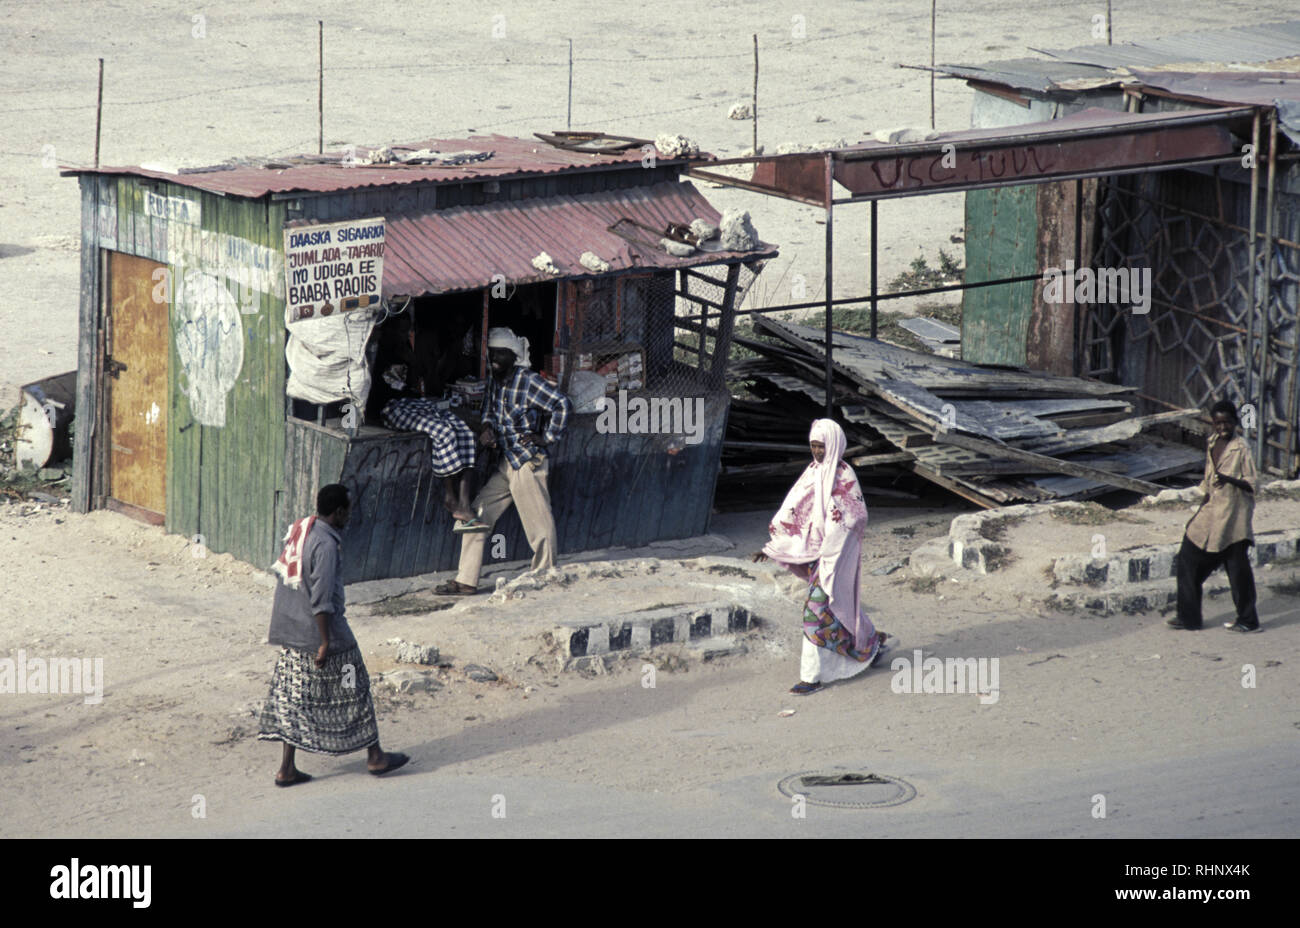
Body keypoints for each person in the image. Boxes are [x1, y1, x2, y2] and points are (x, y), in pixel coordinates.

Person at [258, 484, 409, 785]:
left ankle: (287, 768)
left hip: (292, 631)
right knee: (356, 689)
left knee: (294, 697)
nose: (349, 515)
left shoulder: (302, 530)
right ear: (338, 511)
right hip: (323, 634)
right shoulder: (326, 545)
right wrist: (326, 642)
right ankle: (375, 757)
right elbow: (323, 599)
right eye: (347, 510)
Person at [753, 419, 890, 694]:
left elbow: (857, 515)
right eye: (813, 446)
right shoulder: (812, 473)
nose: (816, 451)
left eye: (821, 446)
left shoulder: (844, 476)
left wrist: (835, 539)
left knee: (815, 613)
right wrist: (774, 545)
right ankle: (870, 642)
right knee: (838, 603)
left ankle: (811, 677)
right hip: (816, 555)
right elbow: (792, 510)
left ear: (834, 445)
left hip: (840, 554)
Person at [435, 327, 572, 595]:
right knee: (474, 514)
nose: (494, 358)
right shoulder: (495, 381)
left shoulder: (528, 380)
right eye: (491, 353)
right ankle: (466, 580)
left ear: (513, 356)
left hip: (527, 461)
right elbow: (488, 410)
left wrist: (547, 437)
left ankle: (545, 575)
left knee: (539, 524)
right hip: (507, 462)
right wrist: (486, 427)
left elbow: (562, 405)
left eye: (500, 353)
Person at [1168, 400, 1261, 633]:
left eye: (1227, 422)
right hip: (1211, 513)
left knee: (1238, 571)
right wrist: (1198, 513)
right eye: (1218, 422)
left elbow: (1252, 485)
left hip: (1234, 519)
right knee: (1187, 558)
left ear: (1235, 422)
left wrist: (1230, 479)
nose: (1222, 427)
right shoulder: (1211, 443)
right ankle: (1188, 617)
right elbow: (1209, 484)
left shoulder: (1241, 449)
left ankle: (1248, 620)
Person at [381, 365, 488, 532]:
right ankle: (450, 496)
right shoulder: (379, 357)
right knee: (444, 432)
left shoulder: (408, 354)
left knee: (466, 433)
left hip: (414, 403)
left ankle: (464, 504)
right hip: (391, 407)